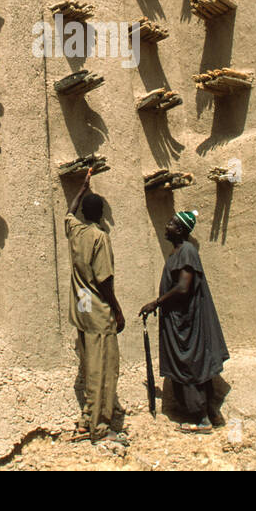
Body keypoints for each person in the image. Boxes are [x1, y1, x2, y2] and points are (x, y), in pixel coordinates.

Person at [139, 209, 228, 433]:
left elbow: (183, 287)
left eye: (171, 223)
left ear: (179, 230)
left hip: (186, 323)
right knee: (196, 365)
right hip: (180, 320)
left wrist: (156, 303)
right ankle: (211, 413)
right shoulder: (177, 253)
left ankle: (202, 420)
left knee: (189, 365)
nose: (166, 226)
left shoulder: (187, 251)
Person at [65, 168, 125, 443]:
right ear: (100, 214)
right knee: (103, 368)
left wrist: (82, 188)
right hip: (98, 311)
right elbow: (104, 280)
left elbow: (69, 211)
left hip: (82, 309)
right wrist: (117, 309)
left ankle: (86, 418)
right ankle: (100, 426)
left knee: (89, 364)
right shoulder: (100, 237)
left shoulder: (75, 231)